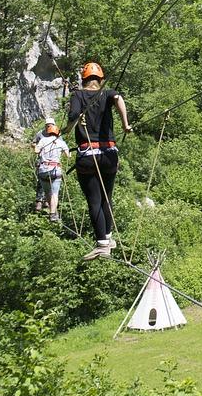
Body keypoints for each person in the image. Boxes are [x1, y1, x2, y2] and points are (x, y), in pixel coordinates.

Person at [67, 62, 132, 261]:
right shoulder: (107, 93)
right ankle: (109, 238)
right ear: (100, 79)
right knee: (106, 197)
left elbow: (73, 116)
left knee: (94, 199)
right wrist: (125, 124)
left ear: (83, 79)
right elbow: (119, 98)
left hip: (88, 155)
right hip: (109, 154)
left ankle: (102, 244)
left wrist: (68, 128)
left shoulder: (77, 95)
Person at [33, 120, 70, 222]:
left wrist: (39, 148)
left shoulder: (43, 140)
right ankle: (53, 214)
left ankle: (50, 209)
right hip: (55, 170)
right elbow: (68, 155)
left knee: (48, 192)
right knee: (54, 193)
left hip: (43, 170)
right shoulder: (61, 142)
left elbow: (36, 151)